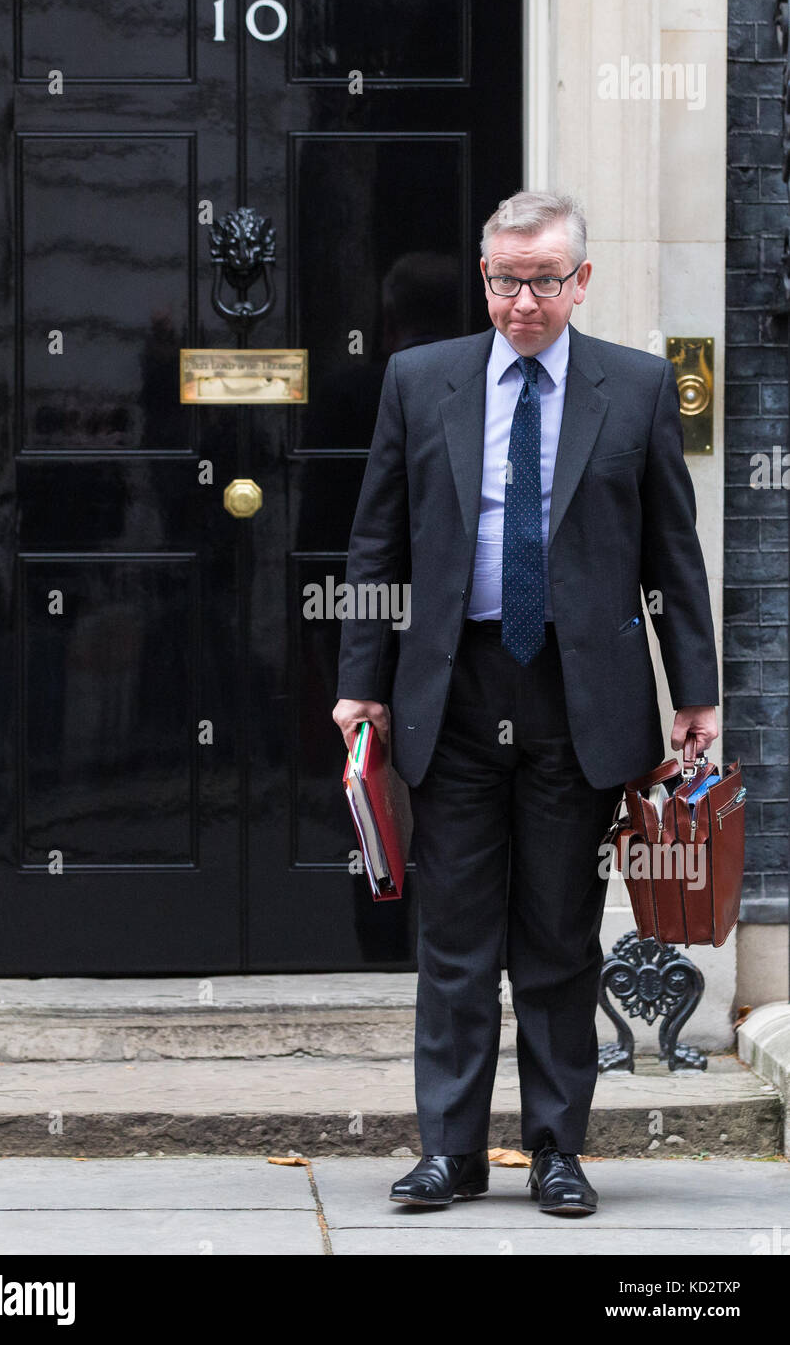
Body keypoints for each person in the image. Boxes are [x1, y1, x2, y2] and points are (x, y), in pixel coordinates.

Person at [332, 190, 719, 1215]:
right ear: (483, 276)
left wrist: (695, 697)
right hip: (450, 692)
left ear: (578, 281)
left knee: (555, 940)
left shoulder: (633, 389)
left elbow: (670, 558)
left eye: (541, 280)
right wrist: (359, 682)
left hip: (576, 695)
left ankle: (556, 1151)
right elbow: (377, 542)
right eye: (502, 279)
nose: (518, 301)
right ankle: (449, 1152)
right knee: (452, 939)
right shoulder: (421, 381)